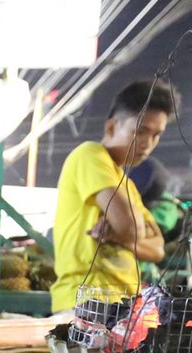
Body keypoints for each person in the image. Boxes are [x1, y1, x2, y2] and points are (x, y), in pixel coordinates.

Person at [49, 80, 175, 313]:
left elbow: (157, 249)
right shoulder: (89, 155)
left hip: (125, 307)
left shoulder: (127, 185)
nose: (148, 144)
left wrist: (118, 237)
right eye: (140, 131)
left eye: (156, 135)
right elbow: (132, 229)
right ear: (111, 128)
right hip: (87, 302)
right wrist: (130, 231)